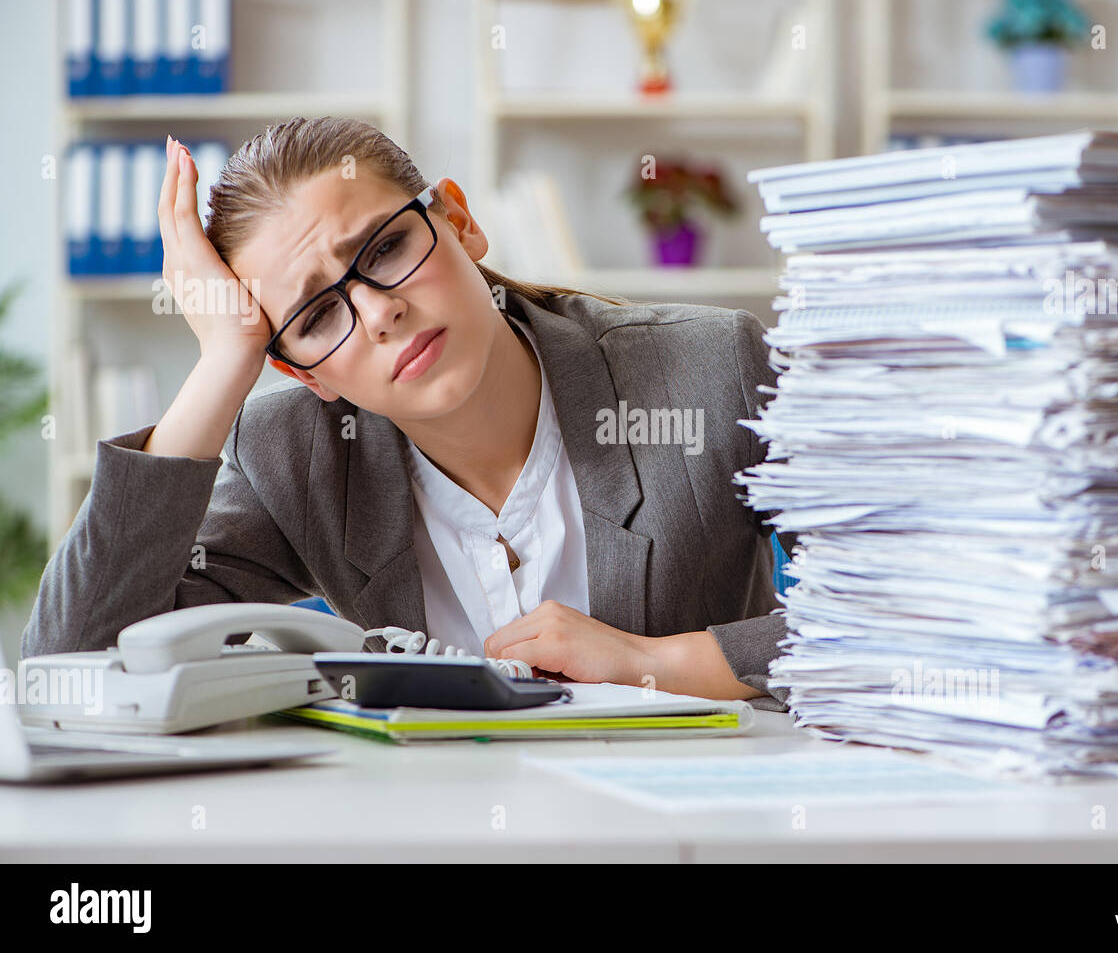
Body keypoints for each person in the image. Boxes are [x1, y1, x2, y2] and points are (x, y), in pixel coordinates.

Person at [23, 116, 794, 710]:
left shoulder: (710, 368)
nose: (379, 312)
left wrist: (651, 663)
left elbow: (906, 616)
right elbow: (64, 661)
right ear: (306, 374)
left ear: (458, 221)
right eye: (319, 316)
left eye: (386, 248)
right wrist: (225, 361)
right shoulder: (295, 457)